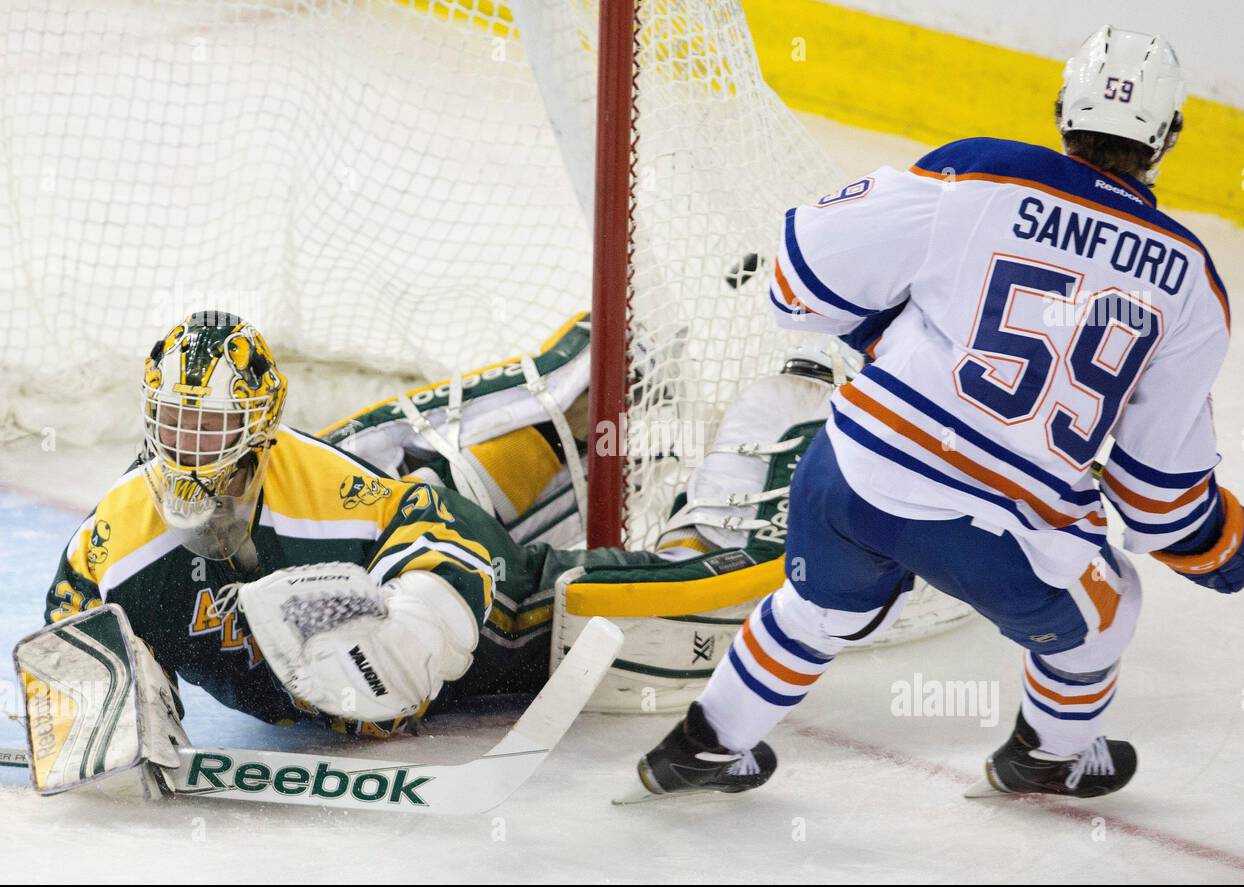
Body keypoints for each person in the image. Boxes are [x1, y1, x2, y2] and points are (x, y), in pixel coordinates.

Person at [632, 25, 1244, 800]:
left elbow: (794, 284)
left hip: (849, 479)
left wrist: (891, 327)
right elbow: (1156, 503)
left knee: (816, 608)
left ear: (1064, 109)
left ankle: (704, 745)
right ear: (1169, 138)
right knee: (1110, 607)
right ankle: (1048, 756)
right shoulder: (1192, 286)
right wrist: (1223, 540)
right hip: (999, 538)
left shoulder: (975, 174)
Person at [45, 310, 839, 736]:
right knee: (423, 460)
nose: (187, 452)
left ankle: (763, 433)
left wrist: (427, 620)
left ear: (258, 427)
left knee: (586, 612)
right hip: (375, 501)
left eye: (210, 429)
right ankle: (573, 410)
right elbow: (76, 607)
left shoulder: (320, 486)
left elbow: (435, 526)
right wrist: (96, 702)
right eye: (172, 424)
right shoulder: (125, 529)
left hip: (400, 528)